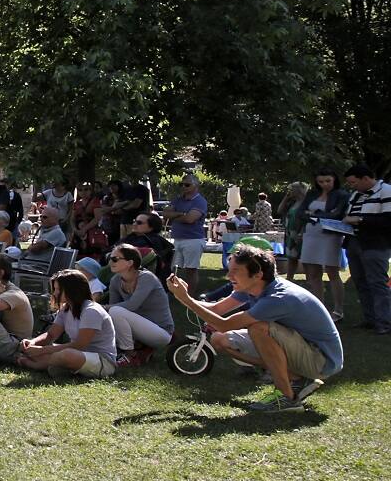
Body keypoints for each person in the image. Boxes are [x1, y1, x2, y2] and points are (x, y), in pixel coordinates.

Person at [167, 244, 344, 410]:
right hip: (302, 348)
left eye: (236, 271)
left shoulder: (278, 298)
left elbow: (223, 323)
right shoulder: (251, 288)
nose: (229, 277)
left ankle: (287, 397)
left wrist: (186, 299)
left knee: (258, 328)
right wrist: (182, 296)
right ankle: (294, 377)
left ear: (258, 274)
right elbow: (217, 309)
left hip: (321, 361)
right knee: (219, 340)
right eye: (230, 271)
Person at [18, 270, 121, 380]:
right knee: (49, 350)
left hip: (102, 361)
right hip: (79, 353)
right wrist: (32, 343)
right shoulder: (66, 309)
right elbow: (51, 335)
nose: (55, 293)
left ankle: (34, 364)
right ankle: (57, 367)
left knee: (66, 355)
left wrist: (41, 350)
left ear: (72, 290)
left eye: (58, 289)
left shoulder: (91, 311)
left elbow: (79, 345)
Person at [104, 243, 174, 367]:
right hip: (141, 329)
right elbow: (113, 309)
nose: (110, 262)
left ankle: (130, 355)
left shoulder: (146, 278)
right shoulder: (115, 280)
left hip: (161, 332)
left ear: (130, 263)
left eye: (115, 258)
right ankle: (138, 349)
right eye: (109, 257)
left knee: (115, 311)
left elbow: (132, 305)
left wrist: (104, 307)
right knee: (113, 312)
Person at [341, 163, 391, 335]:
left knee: (377, 282)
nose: (351, 186)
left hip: (376, 244)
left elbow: (388, 221)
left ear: (366, 179)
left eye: (354, 182)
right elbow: (348, 217)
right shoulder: (355, 195)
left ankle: (385, 322)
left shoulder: (386, 191)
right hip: (354, 243)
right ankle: (370, 319)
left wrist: (359, 220)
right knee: (361, 282)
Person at [297, 169, 349, 319]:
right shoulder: (312, 194)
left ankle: (338, 310)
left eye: (328, 181)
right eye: (321, 181)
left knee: (332, 272)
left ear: (334, 180)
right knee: (313, 273)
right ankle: (319, 307)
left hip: (330, 235)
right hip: (311, 234)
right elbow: (300, 212)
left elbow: (336, 214)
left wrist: (313, 214)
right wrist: (316, 215)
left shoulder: (342, 195)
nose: (324, 184)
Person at [163, 174, 209, 292]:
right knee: (174, 269)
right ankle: (174, 292)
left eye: (187, 184)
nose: (183, 187)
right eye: (181, 184)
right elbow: (166, 214)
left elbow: (190, 219)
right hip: (177, 239)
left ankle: (190, 297)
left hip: (193, 240)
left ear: (196, 186)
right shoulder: (178, 199)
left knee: (191, 270)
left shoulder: (200, 201)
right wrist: (182, 214)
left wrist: (175, 215)